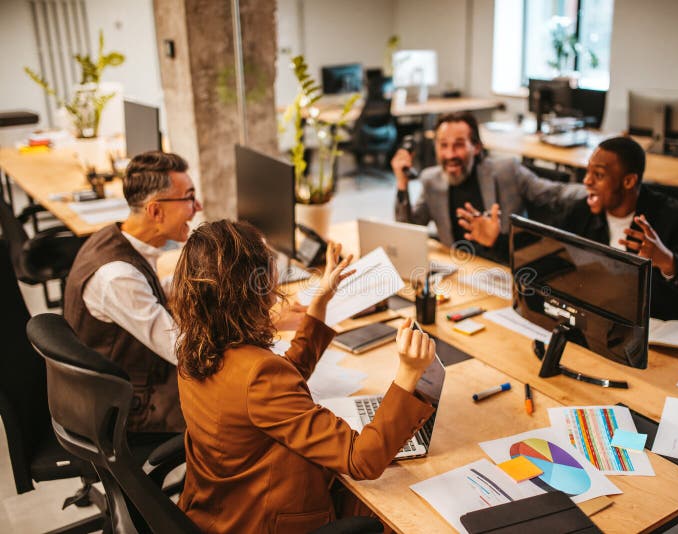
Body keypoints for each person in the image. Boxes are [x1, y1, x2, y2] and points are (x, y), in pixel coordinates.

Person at [171, 220, 436, 533]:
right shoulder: (258, 374)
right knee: (404, 512)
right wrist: (408, 373)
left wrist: (319, 303)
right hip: (260, 521)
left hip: (219, 509)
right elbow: (362, 460)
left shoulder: (198, 347)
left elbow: (273, 389)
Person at [64, 151, 201, 433]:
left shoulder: (114, 237)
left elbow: (150, 290)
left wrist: (219, 284)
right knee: (241, 408)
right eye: (188, 197)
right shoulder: (117, 277)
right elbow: (186, 353)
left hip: (131, 383)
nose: (197, 206)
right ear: (155, 211)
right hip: (126, 408)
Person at [393, 111, 583, 261]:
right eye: (443, 145)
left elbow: (555, 194)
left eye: (459, 145)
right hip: (459, 270)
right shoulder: (430, 180)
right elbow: (409, 233)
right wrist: (402, 184)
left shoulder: (507, 171)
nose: (450, 154)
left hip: (501, 267)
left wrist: (593, 189)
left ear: (476, 147)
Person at [561, 137, 678, 320]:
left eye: (598, 175)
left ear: (628, 181)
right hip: (599, 317)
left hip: (655, 322)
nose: (586, 181)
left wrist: (667, 260)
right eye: (588, 172)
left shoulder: (675, 217)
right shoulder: (581, 212)